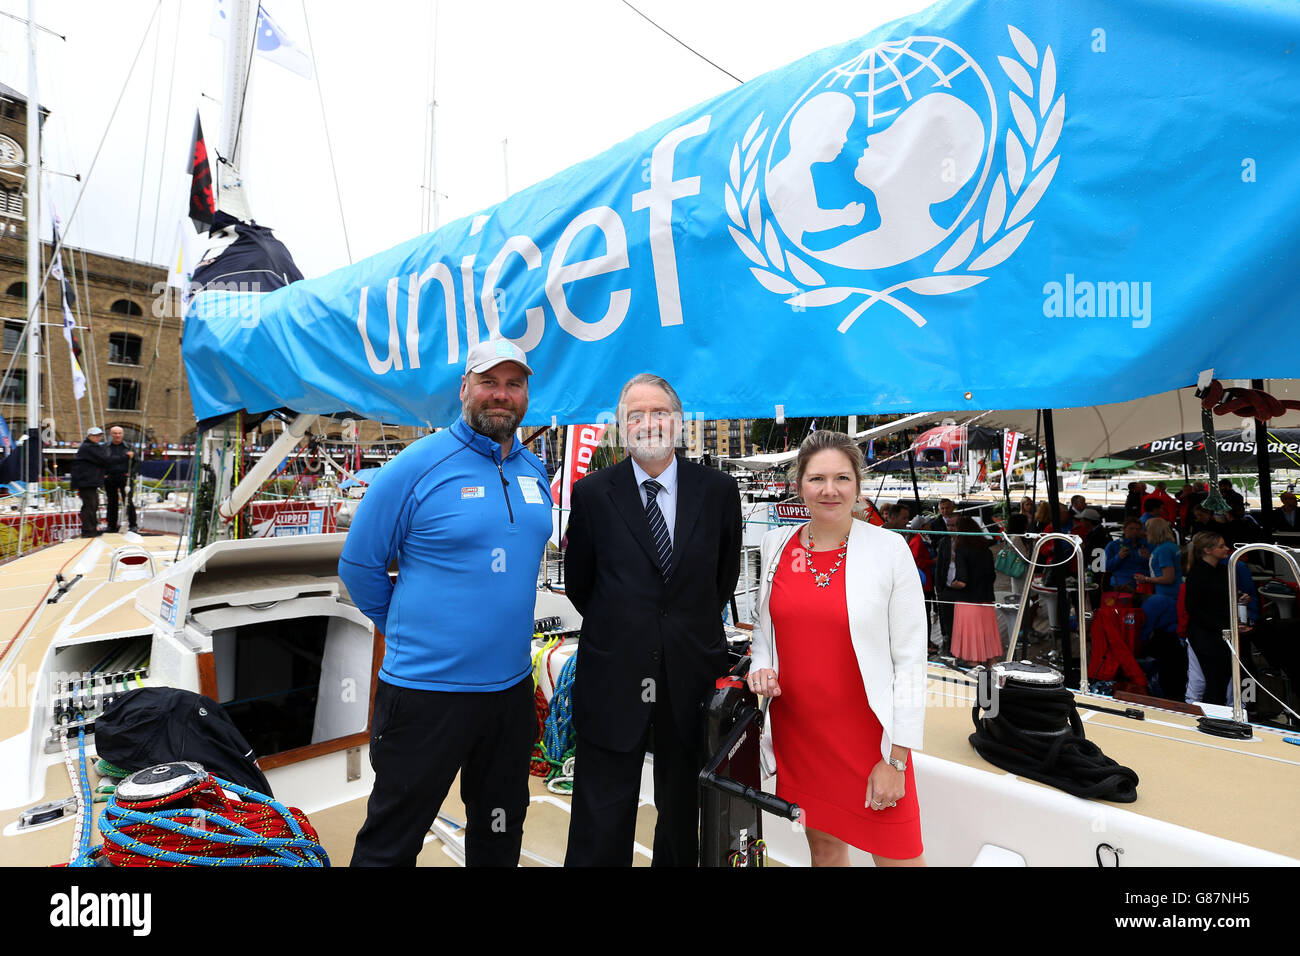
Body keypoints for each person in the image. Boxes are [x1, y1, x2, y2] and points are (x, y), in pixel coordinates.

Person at [339, 339, 552, 867]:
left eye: (513, 384)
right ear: (464, 389)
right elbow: (359, 566)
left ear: (525, 394)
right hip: (425, 695)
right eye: (488, 382)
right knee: (392, 842)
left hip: (509, 695)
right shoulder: (415, 467)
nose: (500, 395)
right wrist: (410, 630)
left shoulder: (533, 470)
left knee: (499, 832)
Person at [563, 373, 741, 867]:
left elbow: (722, 580)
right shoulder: (594, 494)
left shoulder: (720, 491)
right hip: (614, 672)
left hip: (691, 672)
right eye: (634, 415)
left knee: (684, 807)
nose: (648, 423)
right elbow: (581, 584)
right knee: (602, 808)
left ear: (680, 422)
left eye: (658, 412)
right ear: (621, 427)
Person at [748, 430, 926, 866]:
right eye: (817, 479)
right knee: (824, 849)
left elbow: (910, 660)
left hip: (871, 740)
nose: (830, 490)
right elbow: (764, 632)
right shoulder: (776, 545)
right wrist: (762, 665)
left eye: (842, 479)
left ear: (858, 486)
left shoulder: (889, 550)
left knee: (898, 856)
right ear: (799, 485)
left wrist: (897, 761)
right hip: (800, 732)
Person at [1183, 533, 1251, 707]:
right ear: (1207, 550)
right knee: (1203, 680)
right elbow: (1194, 609)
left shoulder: (1223, 570)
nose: (1226, 548)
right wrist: (1222, 626)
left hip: (1223, 633)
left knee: (1226, 677)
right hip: (1204, 635)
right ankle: (1197, 710)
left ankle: (1230, 712)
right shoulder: (1197, 574)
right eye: (1221, 546)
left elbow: (1225, 598)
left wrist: (1240, 597)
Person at [949, 515, 999, 668]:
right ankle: (993, 687)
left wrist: (952, 584)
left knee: (973, 657)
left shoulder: (962, 550)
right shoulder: (986, 550)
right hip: (986, 600)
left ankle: (980, 688)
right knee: (989, 652)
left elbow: (962, 581)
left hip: (968, 602)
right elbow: (992, 576)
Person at [70, 426, 109, 537]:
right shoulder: (88, 447)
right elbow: (103, 459)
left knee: (93, 505)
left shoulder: (91, 446)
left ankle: (91, 528)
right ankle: (88, 530)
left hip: (89, 481)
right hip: (85, 481)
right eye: (95, 436)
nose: (97, 438)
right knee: (90, 505)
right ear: (89, 436)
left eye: (99, 435)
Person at [1134, 517, 1182, 598]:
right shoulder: (1171, 545)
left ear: (1154, 532)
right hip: (1174, 591)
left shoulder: (1163, 549)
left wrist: (1145, 579)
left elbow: (1168, 579)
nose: (1145, 533)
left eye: (1147, 530)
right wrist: (1150, 558)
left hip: (1167, 594)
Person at [103, 426, 137, 534]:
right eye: (115, 433)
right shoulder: (105, 447)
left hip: (125, 478)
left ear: (122, 434)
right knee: (111, 502)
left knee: (128, 501)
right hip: (110, 477)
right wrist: (104, 474)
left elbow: (138, 462)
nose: (117, 435)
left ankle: (133, 525)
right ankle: (111, 525)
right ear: (111, 435)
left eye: (119, 433)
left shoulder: (130, 447)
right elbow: (99, 461)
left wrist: (131, 474)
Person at [1103, 519, 1149, 590]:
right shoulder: (1113, 545)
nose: (1134, 531)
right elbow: (1106, 567)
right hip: (1122, 584)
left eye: (1138, 529)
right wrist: (1118, 557)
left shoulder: (1147, 545)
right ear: (1124, 529)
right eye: (1131, 528)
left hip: (1144, 584)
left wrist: (1149, 558)